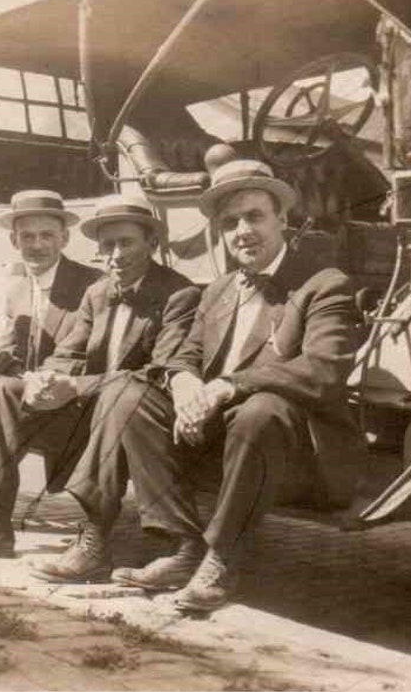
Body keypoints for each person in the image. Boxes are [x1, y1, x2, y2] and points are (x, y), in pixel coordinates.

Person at [31, 156, 368, 610]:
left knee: (262, 409)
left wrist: (228, 385)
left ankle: (222, 559)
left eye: (254, 216)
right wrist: (186, 383)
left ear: (282, 220)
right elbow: (184, 355)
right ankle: (165, 545)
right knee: (125, 390)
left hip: (294, 457)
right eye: (230, 223)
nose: (242, 231)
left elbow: (324, 369)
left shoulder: (322, 284)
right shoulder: (219, 290)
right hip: (216, 440)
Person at [0, 196, 199, 557]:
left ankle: (94, 541)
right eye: (108, 245)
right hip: (88, 410)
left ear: (152, 243)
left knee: (120, 395)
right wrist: (45, 378)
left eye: (126, 243)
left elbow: (158, 374)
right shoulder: (98, 293)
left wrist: (76, 386)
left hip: (138, 418)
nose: (116, 255)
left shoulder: (180, 295)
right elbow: (70, 352)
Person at [0, 189, 103, 375]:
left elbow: (94, 355)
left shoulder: (93, 284)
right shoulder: (16, 292)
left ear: (64, 238)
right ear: (14, 240)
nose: (37, 245)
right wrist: (19, 375)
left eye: (47, 235)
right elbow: (5, 351)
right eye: (27, 236)